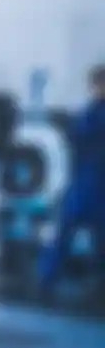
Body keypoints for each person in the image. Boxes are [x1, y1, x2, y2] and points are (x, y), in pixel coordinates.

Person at [39, 65, 105, 296]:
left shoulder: (91, 115)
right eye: (97, 84)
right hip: (84, 183)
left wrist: (66, 126)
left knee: (93, 238)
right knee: (65, 232)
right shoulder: (88, 113)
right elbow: (76, 139)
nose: (99, 89)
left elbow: (80, 136)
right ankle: (47, 279)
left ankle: (51, 279)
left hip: (94, 185)